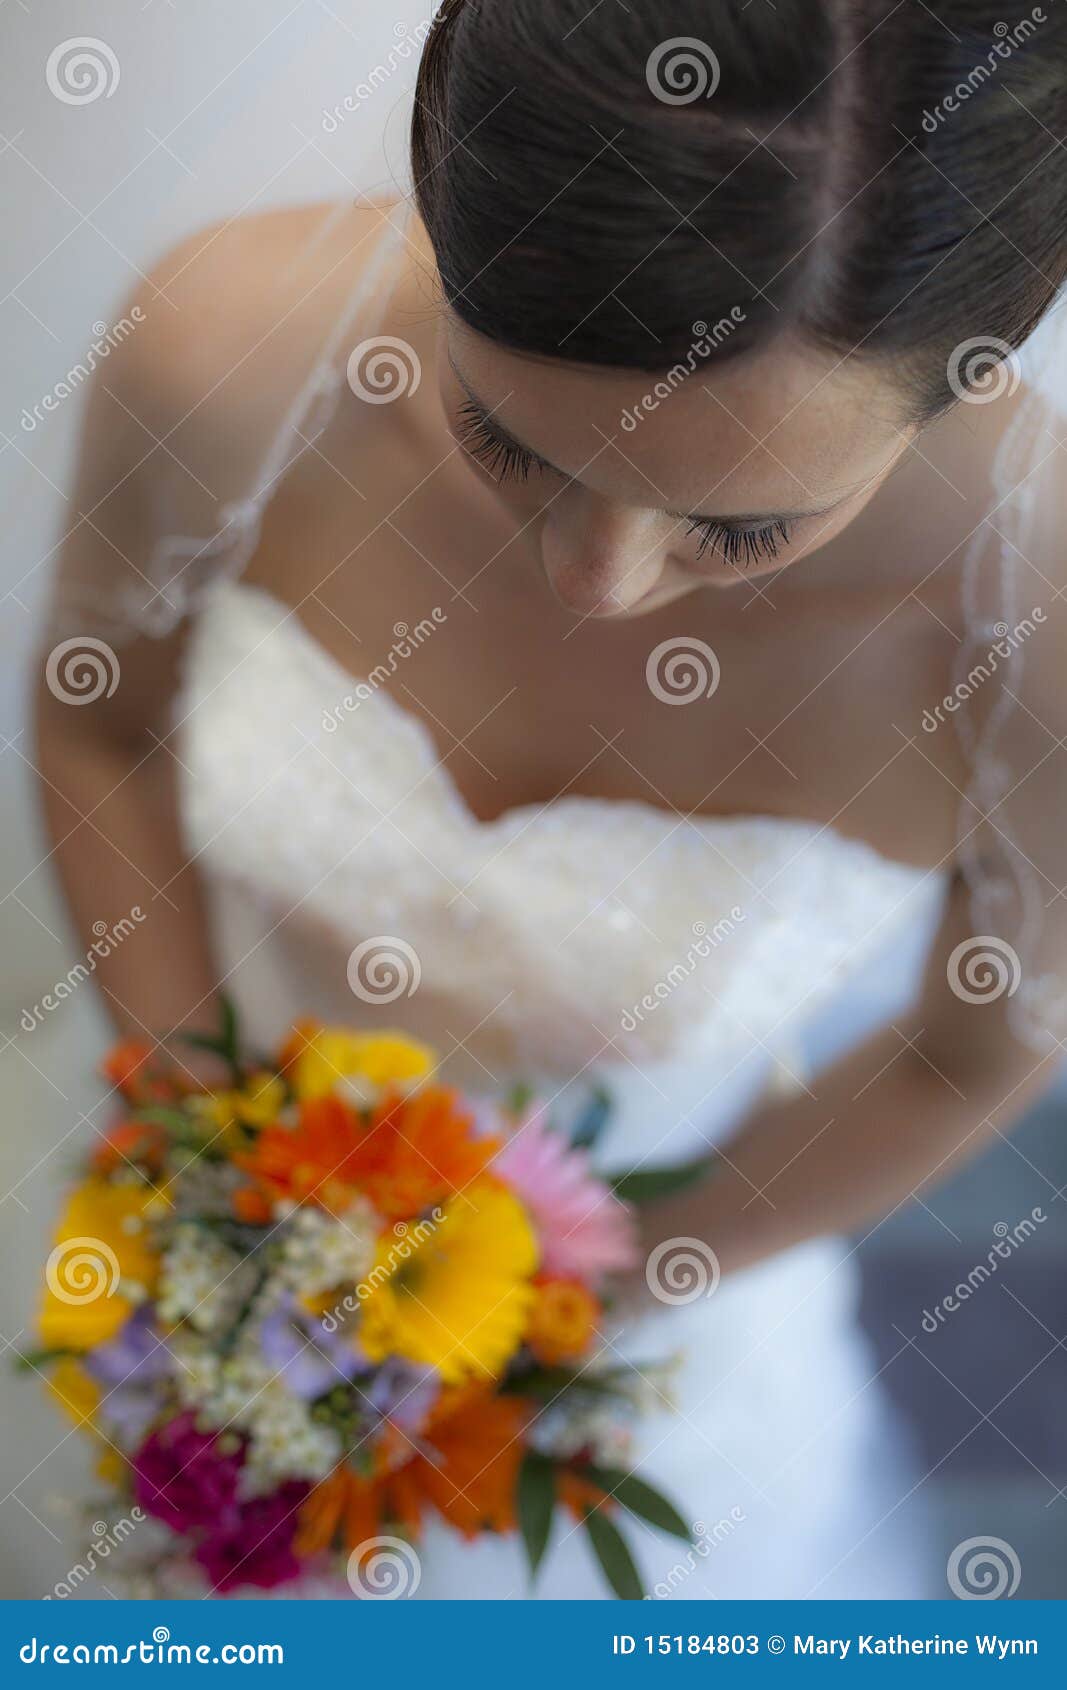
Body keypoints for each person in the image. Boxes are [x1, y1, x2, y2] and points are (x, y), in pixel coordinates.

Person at [35, 0, 1067, 1597]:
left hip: (658, 1312)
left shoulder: (1033, 627)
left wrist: (565, 1310)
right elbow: (101, 726)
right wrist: (218, 1159)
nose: (600, 584)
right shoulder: (220, 349)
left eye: (738, 529)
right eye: (498, 436)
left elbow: (967, 1051)